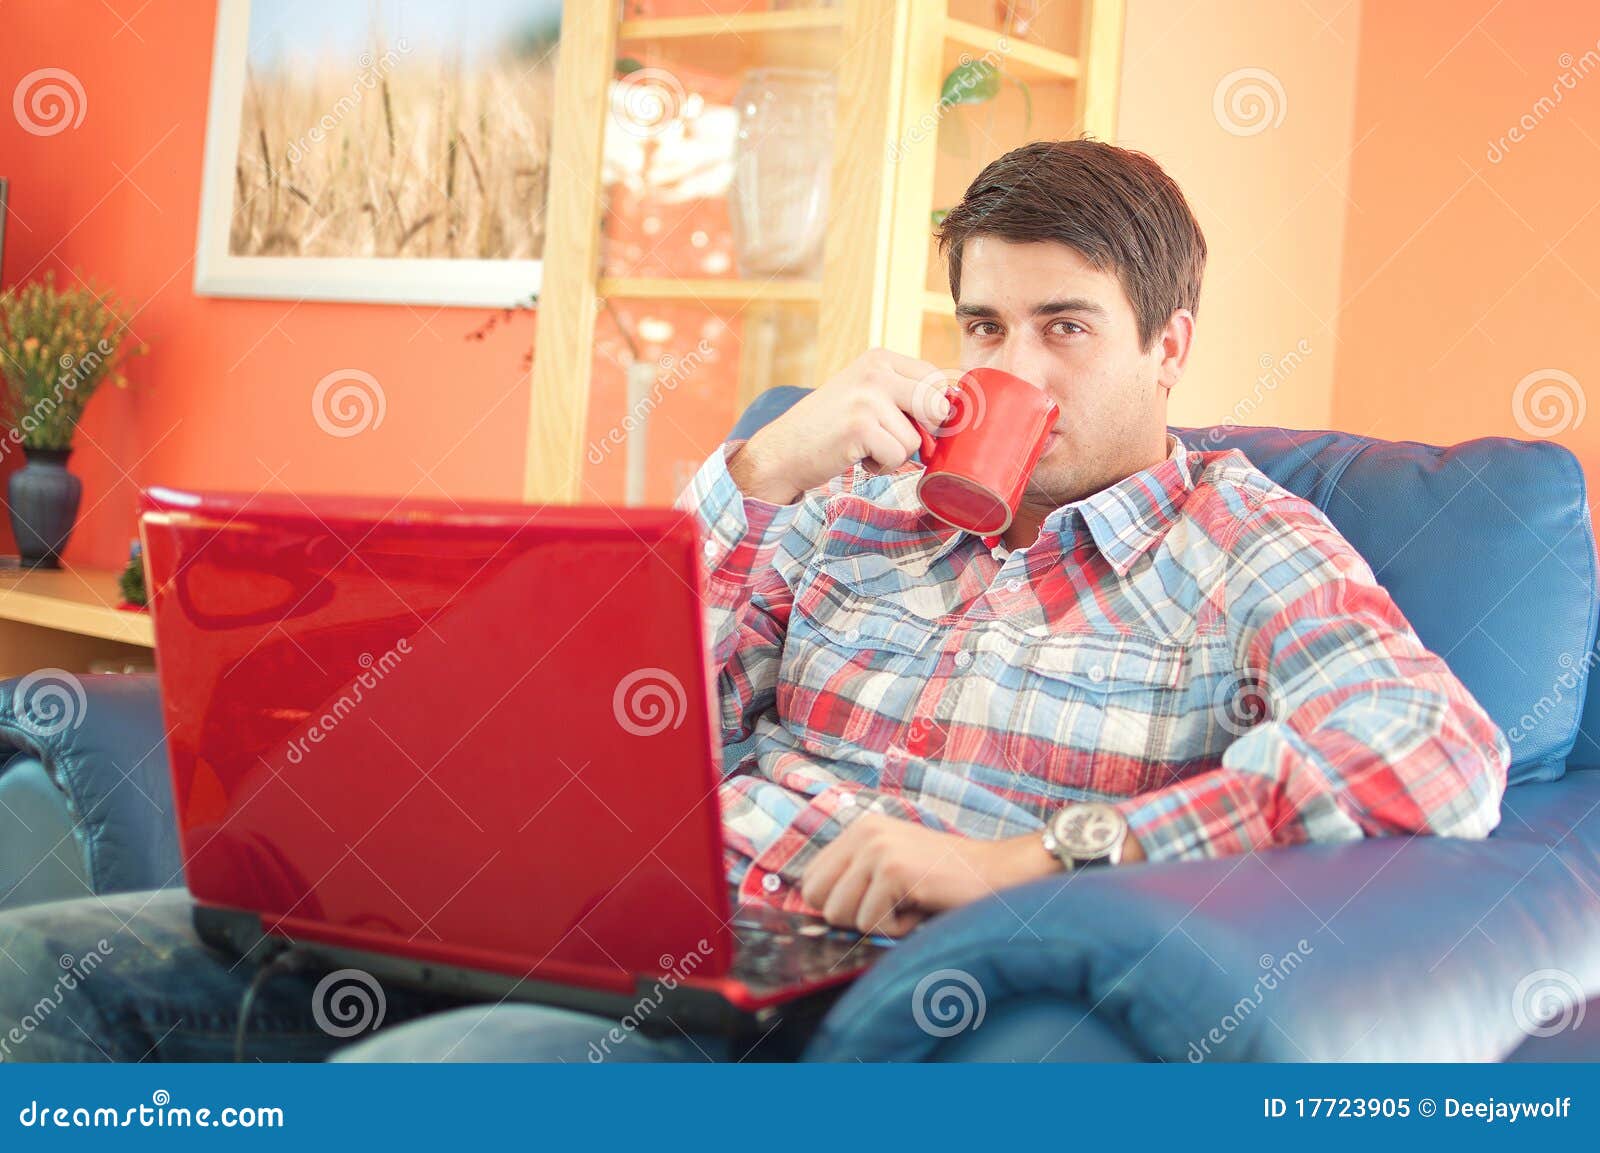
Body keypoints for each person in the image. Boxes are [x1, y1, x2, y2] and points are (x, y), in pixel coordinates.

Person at [0, 138, 1509, 1063]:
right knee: (33, 970)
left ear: (1170, 346)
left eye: (1069, 327)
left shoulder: (1247, 543)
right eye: (986, 323)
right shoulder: (849, 494)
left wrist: (1020, 856)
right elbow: (599, 702)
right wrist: (754, 476)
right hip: (578, 907)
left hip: (768, 997)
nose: (1019, 373)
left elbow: (1439, 757)